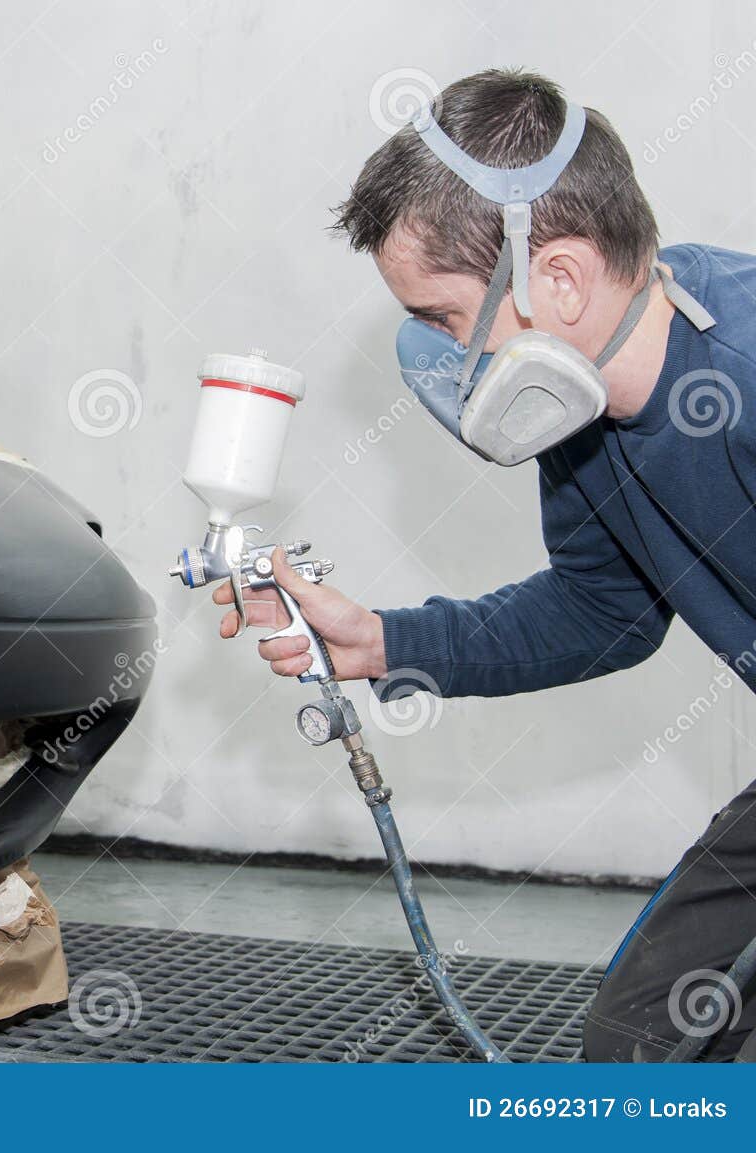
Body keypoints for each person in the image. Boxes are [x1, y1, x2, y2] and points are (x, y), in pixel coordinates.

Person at [222, 68, 755, 1061]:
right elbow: (606, 615)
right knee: (644, 1051)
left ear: (556, 278)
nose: (435, 361)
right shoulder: (584, 413)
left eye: (439, 318)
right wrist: (382, 643)